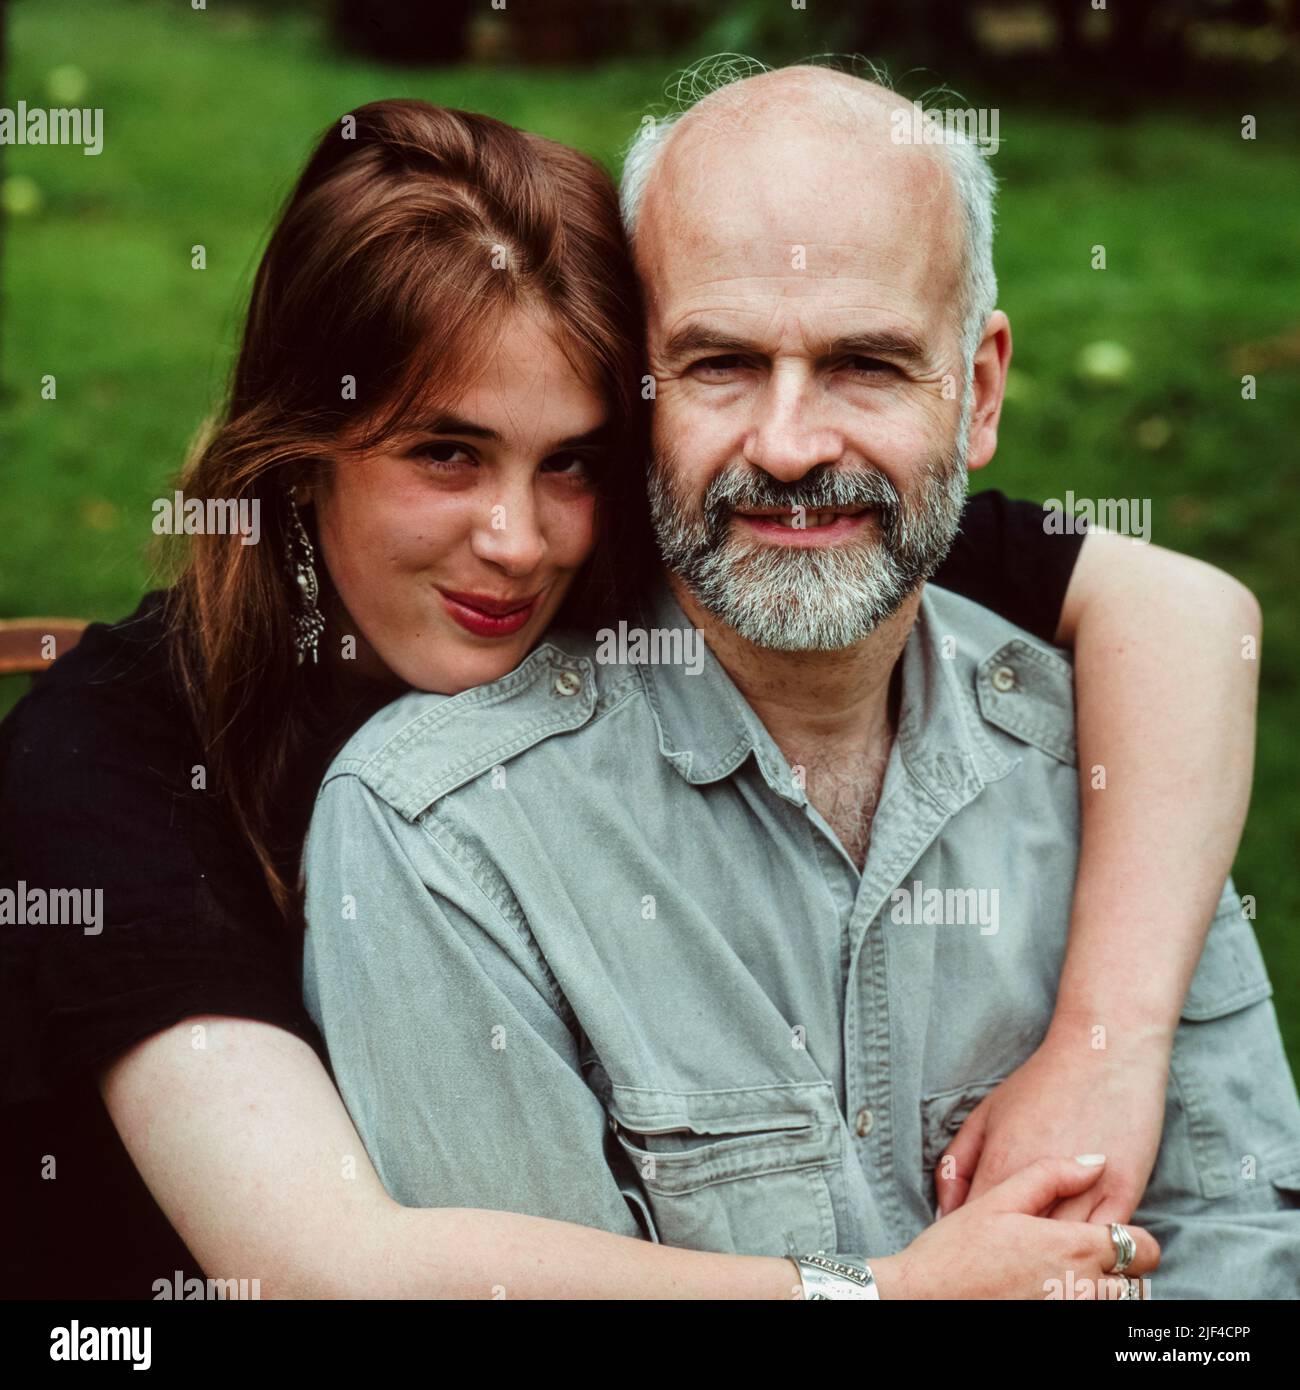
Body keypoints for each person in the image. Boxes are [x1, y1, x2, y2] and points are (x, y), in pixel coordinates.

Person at [0, 94, 1262, 1300]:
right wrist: (879, 1289)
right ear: (294, 455)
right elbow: (322, 1262)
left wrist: (1106, 1037)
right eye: (446, 451)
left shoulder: (721, 508)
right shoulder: (110, 760)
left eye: (575, 459)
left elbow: (1190, 612)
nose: (516, 538)